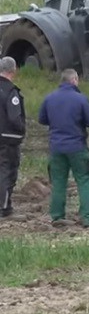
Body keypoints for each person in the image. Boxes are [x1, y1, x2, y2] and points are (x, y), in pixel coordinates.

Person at [38, 68, 89, 228]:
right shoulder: (81, 99)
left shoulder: (49, 98)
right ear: (74, 80)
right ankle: (88, 217)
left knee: (58, 183)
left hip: (56, 147)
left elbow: (42, 119)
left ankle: (57, 216)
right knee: (84, 180)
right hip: (77, 146)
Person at [0, 56, 26, 218]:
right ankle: (5, 208)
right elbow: (14, 117)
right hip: (8, 138)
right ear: (13, 70)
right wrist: (22, 129)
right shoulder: (10, 91)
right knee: (7, 171)